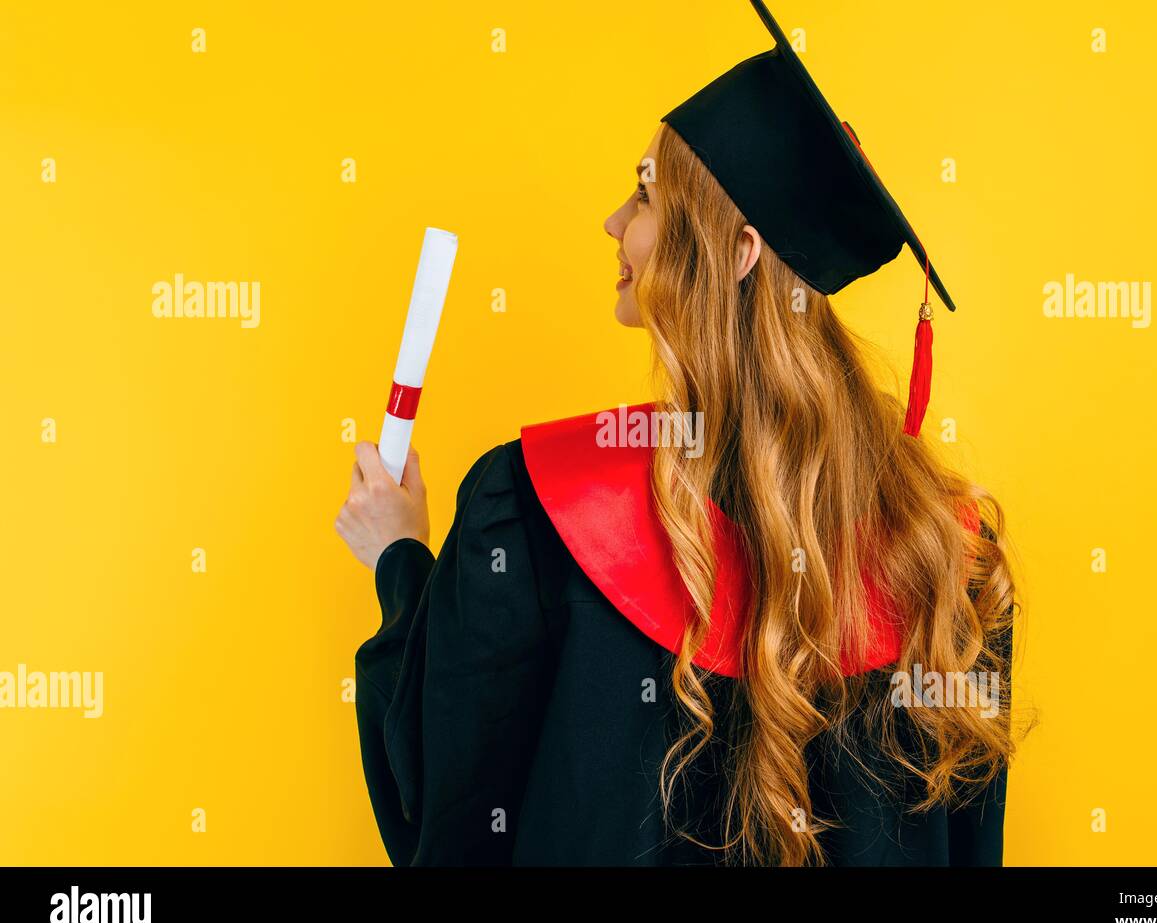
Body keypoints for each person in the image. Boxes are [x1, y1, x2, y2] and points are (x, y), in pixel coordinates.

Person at [335, 0, 1021, 866]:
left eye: (646, 193)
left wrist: (400, 561)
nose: (615, 223)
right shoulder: (946, 558)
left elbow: (442, 811)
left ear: (736, 252)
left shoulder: (537, 513)